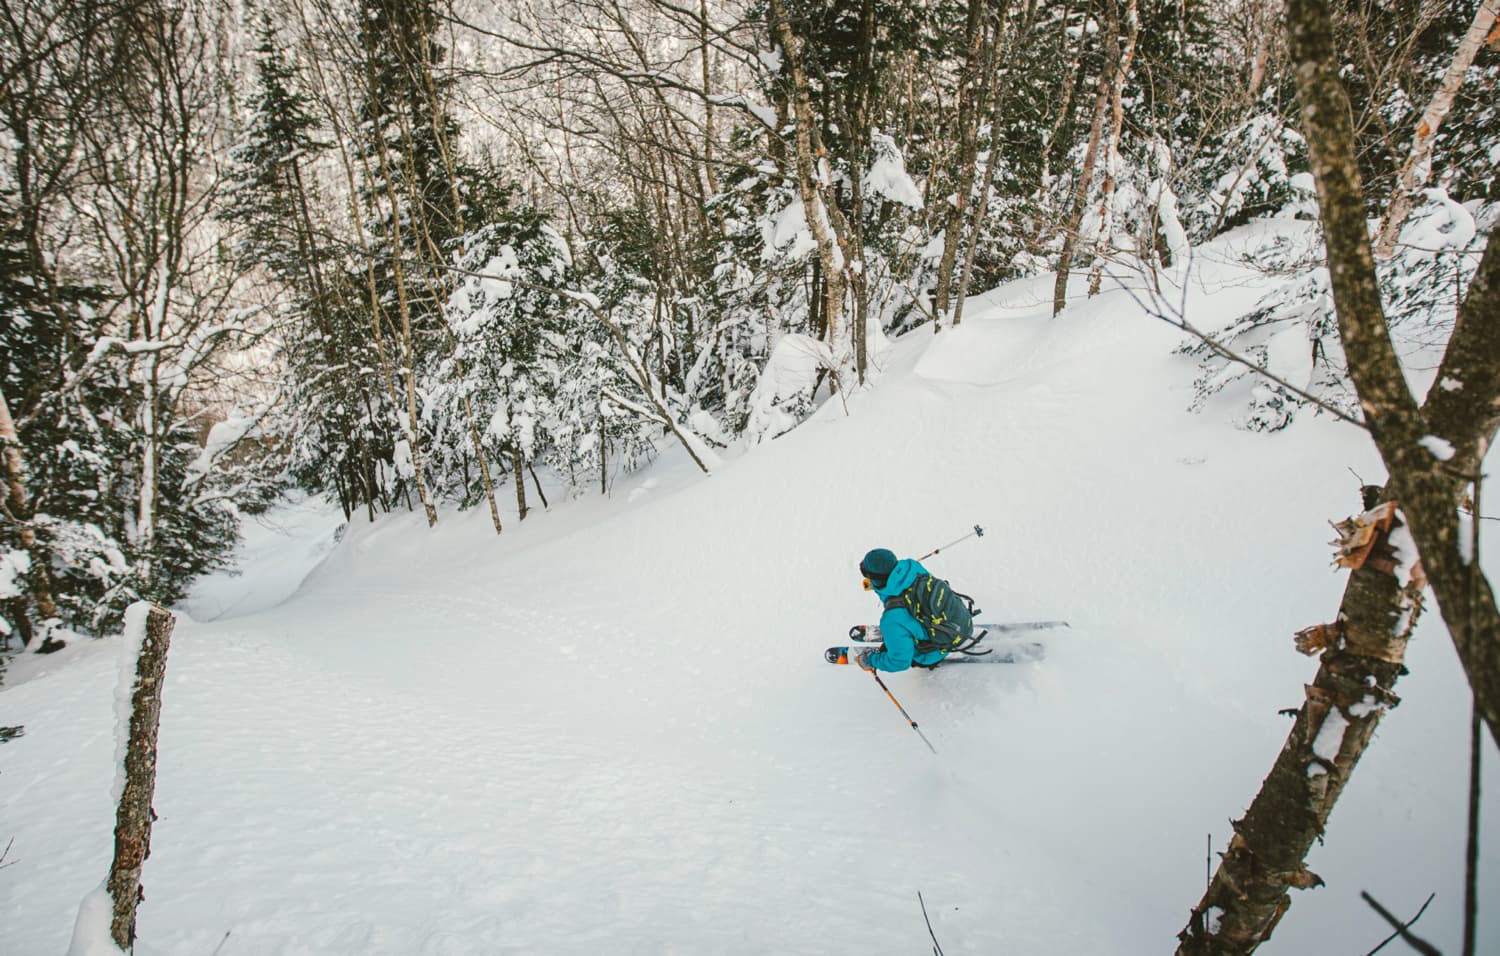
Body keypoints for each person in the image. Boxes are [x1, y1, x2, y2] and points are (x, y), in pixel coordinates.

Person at [853, 547, 949, 672]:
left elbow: (899, 663)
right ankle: (902, 634)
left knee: (907, 652)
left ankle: (908, 640)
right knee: (900, 626)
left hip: (934, 651)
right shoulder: (913, 568)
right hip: (947, 613)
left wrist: (870, 660)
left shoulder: (892, 619)